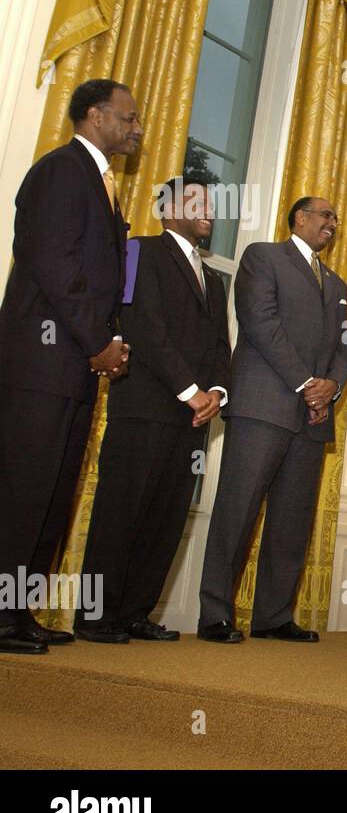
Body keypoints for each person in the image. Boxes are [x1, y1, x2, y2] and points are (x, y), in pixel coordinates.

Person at [0, 78, 140, 655]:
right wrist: (98, 339)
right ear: (93, 115)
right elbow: (57, 266)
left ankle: (19, 611)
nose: (136, 128)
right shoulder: (61, 171)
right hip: (40, 359)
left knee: (54, 494)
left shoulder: (102, 183)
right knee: (21, 490)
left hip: (72, 367)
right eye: (127, 118)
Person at [75, 177, 230, 643]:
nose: (209, 209)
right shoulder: (139, 251)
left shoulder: (216, 281)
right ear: (167, 208)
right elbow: (144, 326)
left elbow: (222, 346)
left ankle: (135, 613)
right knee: (120, 514)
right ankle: (97, 618)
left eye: (212, 203)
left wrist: (218, 392)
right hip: (143, 408)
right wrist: (191, 390)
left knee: (165, 519)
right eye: (197, 201)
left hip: (193, 420)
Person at [196, 196, 347, 644]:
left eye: (335, 218)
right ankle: (215, 614)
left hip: (313, 417)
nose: (333, 223)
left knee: (293, 519)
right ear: (299, 218)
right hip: (264, 405)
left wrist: (332, 387)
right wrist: (307, 382)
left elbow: (345, 347)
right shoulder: (263, 256)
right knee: (237, 509)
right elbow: (260, 323)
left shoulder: (338, 284)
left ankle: (273, 616)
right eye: (325, 215)